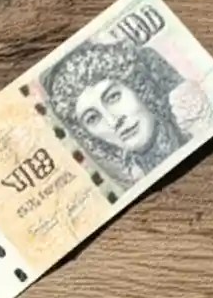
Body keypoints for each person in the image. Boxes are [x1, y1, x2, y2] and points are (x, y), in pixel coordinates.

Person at [42, 40, 193, 191]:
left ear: (138, 86)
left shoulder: (195, 123)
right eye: (92, 118)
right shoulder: (131, 184)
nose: (113, 121)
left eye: (113, 97)